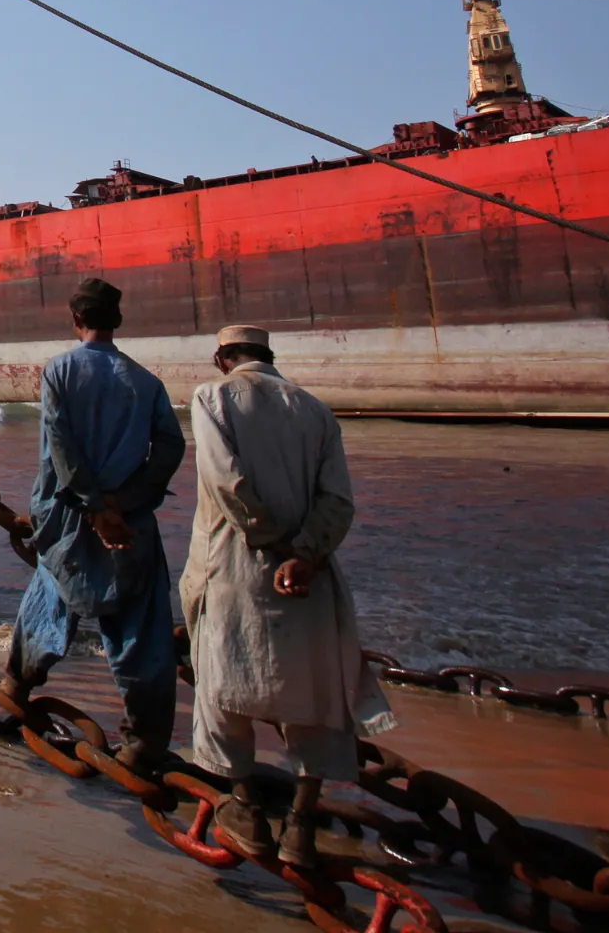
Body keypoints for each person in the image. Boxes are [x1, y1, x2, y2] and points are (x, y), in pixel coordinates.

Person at [181, 325, 395, 869]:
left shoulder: (212, 398)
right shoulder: (316, 411)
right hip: (308, 575)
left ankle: (247, 811)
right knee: (314, 697)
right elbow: (339, 502)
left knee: (222, 689)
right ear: (269, 357)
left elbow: (226, 482)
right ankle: (300, 826)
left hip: (235, 568)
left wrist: (274, 546)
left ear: (222, 358)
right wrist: (305, 555)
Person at [6, 279, 185, 776]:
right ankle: (143, 743)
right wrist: (123, 502)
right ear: (117, 321)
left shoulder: (59, 371)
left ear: (76, 319)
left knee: (48, 601)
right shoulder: (145, 381)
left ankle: (16, 687)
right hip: (130, 521)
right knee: (140, 627)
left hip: (66, 516)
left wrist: (92, 505)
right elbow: (170, 447)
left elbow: (60, 442)